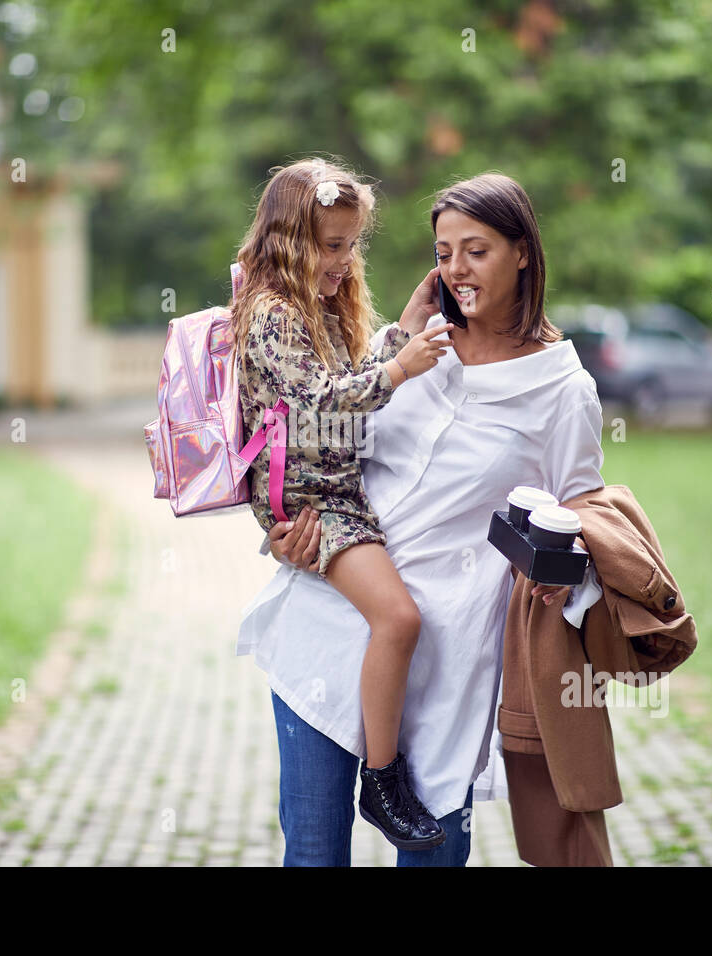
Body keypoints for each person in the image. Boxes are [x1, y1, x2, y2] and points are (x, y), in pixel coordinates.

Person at [238, 171, 607, 866]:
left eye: (477, 250)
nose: (456, 269)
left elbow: (582, 518)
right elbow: (316, 444)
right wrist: (285, 536)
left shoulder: (562, 389)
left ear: (523, 251)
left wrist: (563, 587)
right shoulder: (408, 349)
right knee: (314, 854)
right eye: (443, 252)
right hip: (329, 626)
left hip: (448, 660)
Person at [232, 158, 457, 850]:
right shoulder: (272, 315)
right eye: (332, 246)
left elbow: (340, 382)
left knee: (394, 617)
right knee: (397, 616)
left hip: (332, 490)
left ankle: (382, 774)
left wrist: (400, 331)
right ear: (291, 243)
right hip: (311, 503)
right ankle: (382, 781)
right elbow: (318, 404)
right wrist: (399, 368)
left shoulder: (316, 310)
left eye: (353, 243)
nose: (345, 260)